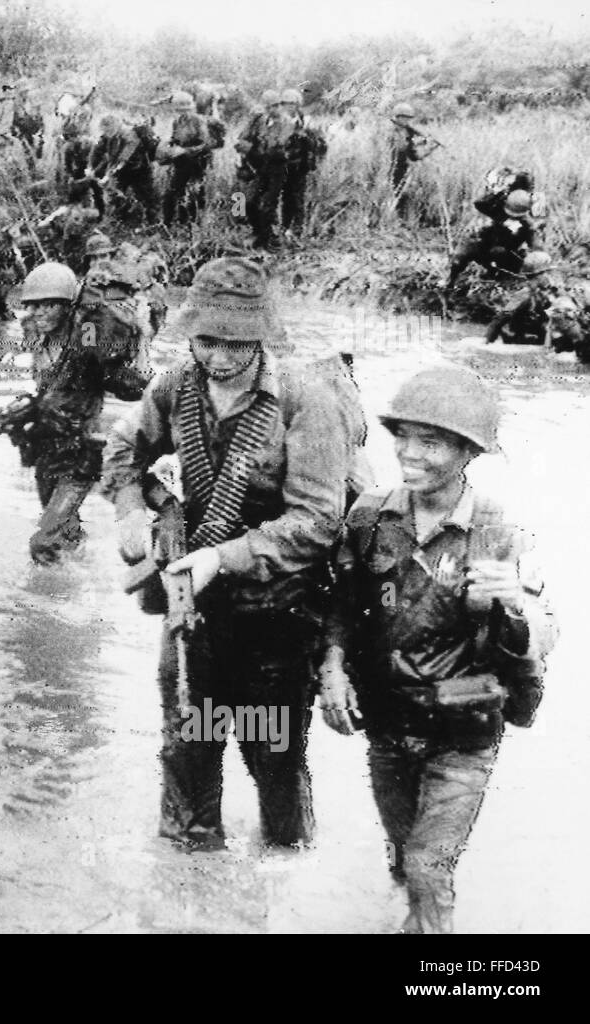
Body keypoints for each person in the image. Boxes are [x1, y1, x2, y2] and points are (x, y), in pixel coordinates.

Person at [103, 257, 353, 849]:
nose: (215, 356)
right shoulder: (175, 386)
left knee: (273, 754)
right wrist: (130, 509)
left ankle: (286, 871)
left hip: (276, 613)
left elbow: (318, 521)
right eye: (204, 339)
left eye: (231, 342)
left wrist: (226, 556)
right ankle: (192, 882)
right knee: (188, 746)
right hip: (193, 611)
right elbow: (123, 444)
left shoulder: (303, 401)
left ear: (261, 336)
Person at [318, 364, 555, 933]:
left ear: (469, 452)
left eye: (431, 442)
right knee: (403, 858)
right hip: (388, 720)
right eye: (402, 436)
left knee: (428, 866)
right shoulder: (371, 515)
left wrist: (514, 604)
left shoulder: (500, 531)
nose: (410, 453)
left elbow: (543, 635)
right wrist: (331, 668)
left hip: (462, 728)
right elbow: (342, 606)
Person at [10, 262, 149, 564]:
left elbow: (122, 381)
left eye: (47, 306)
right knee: (65, 529)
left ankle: (48, 600)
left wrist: (141, 340)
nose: (38, 313)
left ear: (65, 306)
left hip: (79, 455)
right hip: (46, 449)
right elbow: (49, 392)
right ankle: (81, 583)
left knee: (44, 542)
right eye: (33, 307)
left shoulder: (84, 337)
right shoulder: (40, 340)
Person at [249, 89, 327, 249]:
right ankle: (277, 232)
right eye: (284, 103)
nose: (287, 106)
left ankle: (296, 233)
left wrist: (308, 143)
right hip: (280, 167)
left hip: (299, 167)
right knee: (276, 200)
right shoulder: (275, 122)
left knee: (296, 200)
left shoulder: (307, 121)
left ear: (298, 104)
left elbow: (320, 144)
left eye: (291, 103)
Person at [446, 189, 539, 289]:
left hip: (508, 258)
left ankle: (499, 278)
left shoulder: (528, 225)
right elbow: (479, 203)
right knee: (463, 252)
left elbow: (535, 247)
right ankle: (450, 281)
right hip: (487, 247)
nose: (512, 217)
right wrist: (499, 192)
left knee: (499, 252)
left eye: (516, 216)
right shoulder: (498, 210)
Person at [158, 90, 226, 226]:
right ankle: (168, 224)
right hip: (181, 162)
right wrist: (168, 145)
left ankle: (193, 226)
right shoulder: (177, 121)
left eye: (183, 109)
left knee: (195, 194)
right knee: (172, 193)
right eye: (178, 109)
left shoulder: (198, 121)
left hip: (198, 162)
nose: (181, 112)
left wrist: (185, 150)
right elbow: (175, 138)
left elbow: (205, 144)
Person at [484, 251, 559, 346]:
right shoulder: (524, 294)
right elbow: (500, 319)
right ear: (538, 275)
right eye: (547, 273)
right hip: (525, 339)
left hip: (543, 336)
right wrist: (487, 340)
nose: (550, 277)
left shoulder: (546, 292)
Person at [89, 115, 158, 217]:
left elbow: (123, 159)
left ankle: (152, 221)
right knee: (116, 195)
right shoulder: (108, 136)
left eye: (108, 131)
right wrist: (90, 168)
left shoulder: (130, 136)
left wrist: (108, 175)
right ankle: (120, 218)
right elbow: (97, 150)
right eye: (104, 131)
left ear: (114, 127)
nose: (106, 134)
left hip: (139, 169)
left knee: (147, 197)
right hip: (122, 170)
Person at [234, 90, 279, 232]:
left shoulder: (277, 121)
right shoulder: (257, 119)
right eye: (271, 105)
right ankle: (241, 224)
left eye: (276, 105)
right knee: (243, 195)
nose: (273, 108)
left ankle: (267, 226)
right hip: (251, 162)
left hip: (264, 163)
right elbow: (242, 139)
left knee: (261, 198)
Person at [37, 179, 104, 275]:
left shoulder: (91, 212)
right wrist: (45, 222)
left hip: (81, 243)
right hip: (69, 242)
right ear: (81, 196)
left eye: (92, 195)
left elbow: (92, 223)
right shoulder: (69, 209)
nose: (91, 198)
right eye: (88, 195)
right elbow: (50, 220)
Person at [388, 102, 441, 218]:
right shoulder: (388, 130)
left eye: (409, 118)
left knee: (403, 196)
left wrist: (429, 148)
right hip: (388, 168)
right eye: (404, 118)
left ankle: (400, 220)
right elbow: (395, 148)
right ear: (397, 117)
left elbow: (414, 156)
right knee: (391, 196)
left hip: (402, 169)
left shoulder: (408, 132)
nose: (407, 121)